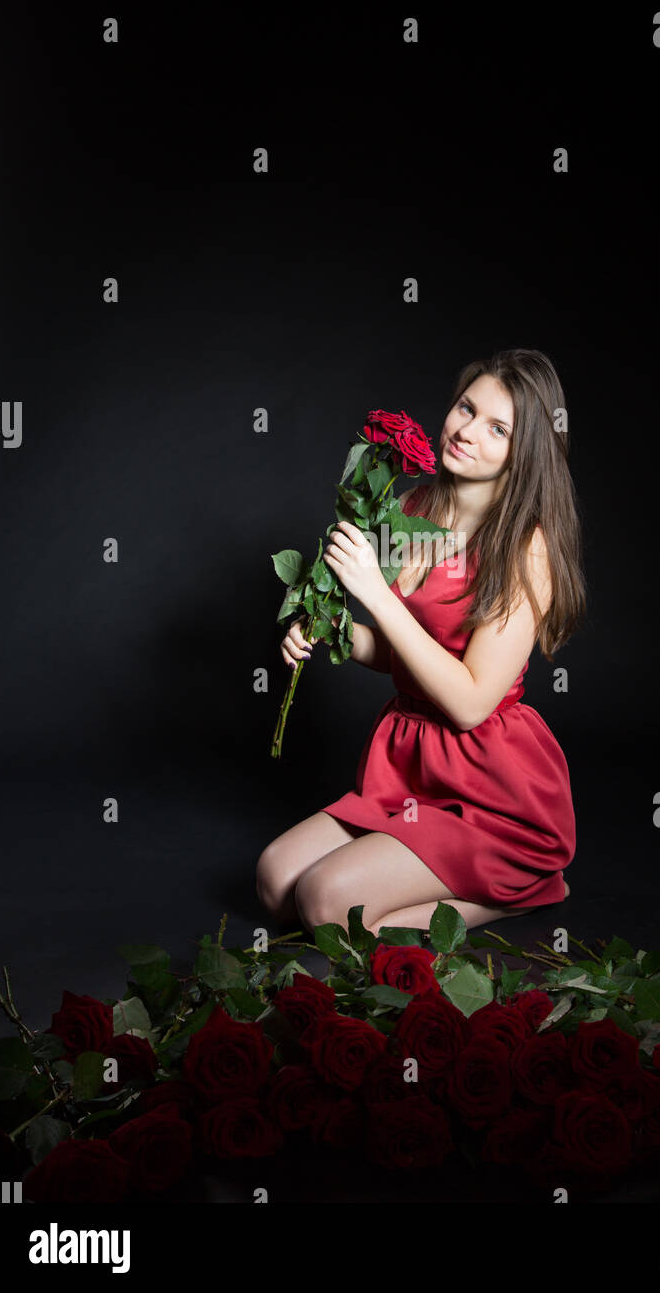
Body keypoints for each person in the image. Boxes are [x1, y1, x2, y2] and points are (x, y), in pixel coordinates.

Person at [256, 348, 586, 937]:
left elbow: (469, 702)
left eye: (498, 428)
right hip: (409, 765)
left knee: (325, 904)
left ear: (523, 452)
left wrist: (375, 595)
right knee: (276, 880)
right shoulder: (410, 507)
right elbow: (400, 654)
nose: (466, 431)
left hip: (486, 782)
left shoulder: (524, 548)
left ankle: (520, 887)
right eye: (466, 407)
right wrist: (329, 630)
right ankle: (401, 890)